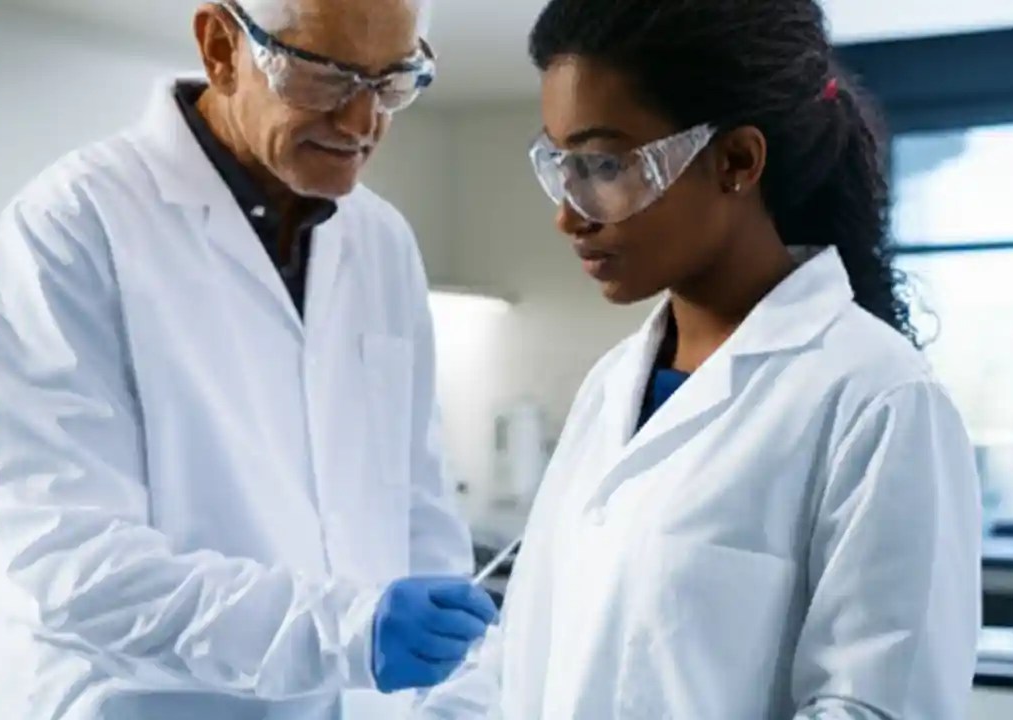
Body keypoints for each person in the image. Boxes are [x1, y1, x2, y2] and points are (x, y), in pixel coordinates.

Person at [417, 0, 982, 718]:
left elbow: (878, 707)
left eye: (606, 165)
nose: (569, 212)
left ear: (737, 161)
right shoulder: (611, 387)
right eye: (561, 165)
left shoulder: (878, 401)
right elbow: (528, 660)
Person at [0, 0, 497, 717]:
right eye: (326, 77)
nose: (361, 122)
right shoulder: (73, 224)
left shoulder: (382, 241)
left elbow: (421, 517)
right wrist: (347, 634)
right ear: (221, 47)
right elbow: (73, 565)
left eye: (391, 82)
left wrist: (455, 699)